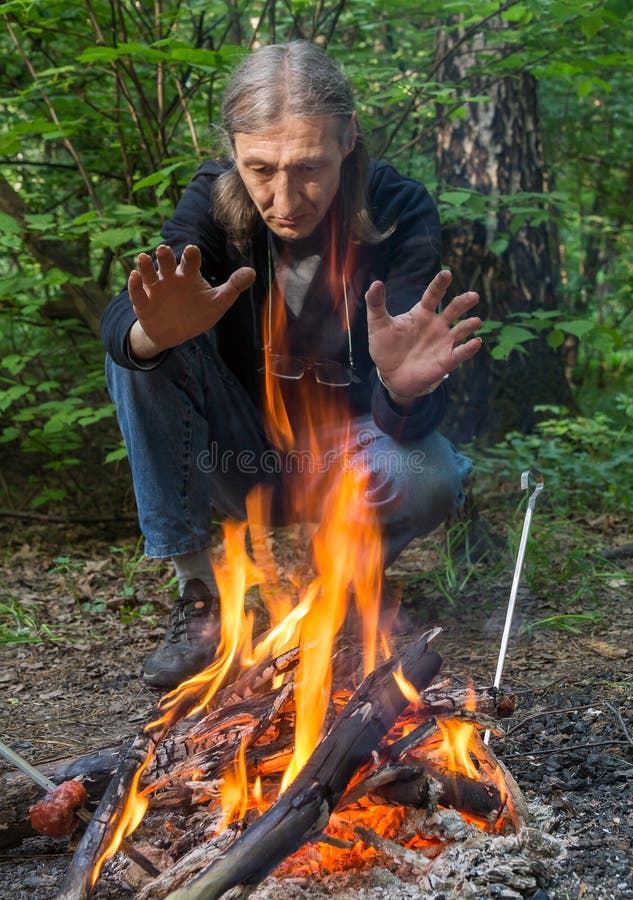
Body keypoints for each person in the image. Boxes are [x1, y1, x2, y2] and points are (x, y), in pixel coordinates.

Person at [102, 41, 482, 692]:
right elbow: (127, 317)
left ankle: (342, 576)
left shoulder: (395, 207)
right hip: (238, 455)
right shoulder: (212, 202)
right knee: (143, 353)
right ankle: (200, 597)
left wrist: (400, 388)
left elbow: (417, 406)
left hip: (349, 456)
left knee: (432, 472)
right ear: (232, 152)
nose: (284, 199)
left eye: (308, 167)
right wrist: (147, 334)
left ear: (348, 138)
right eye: (260, 169)